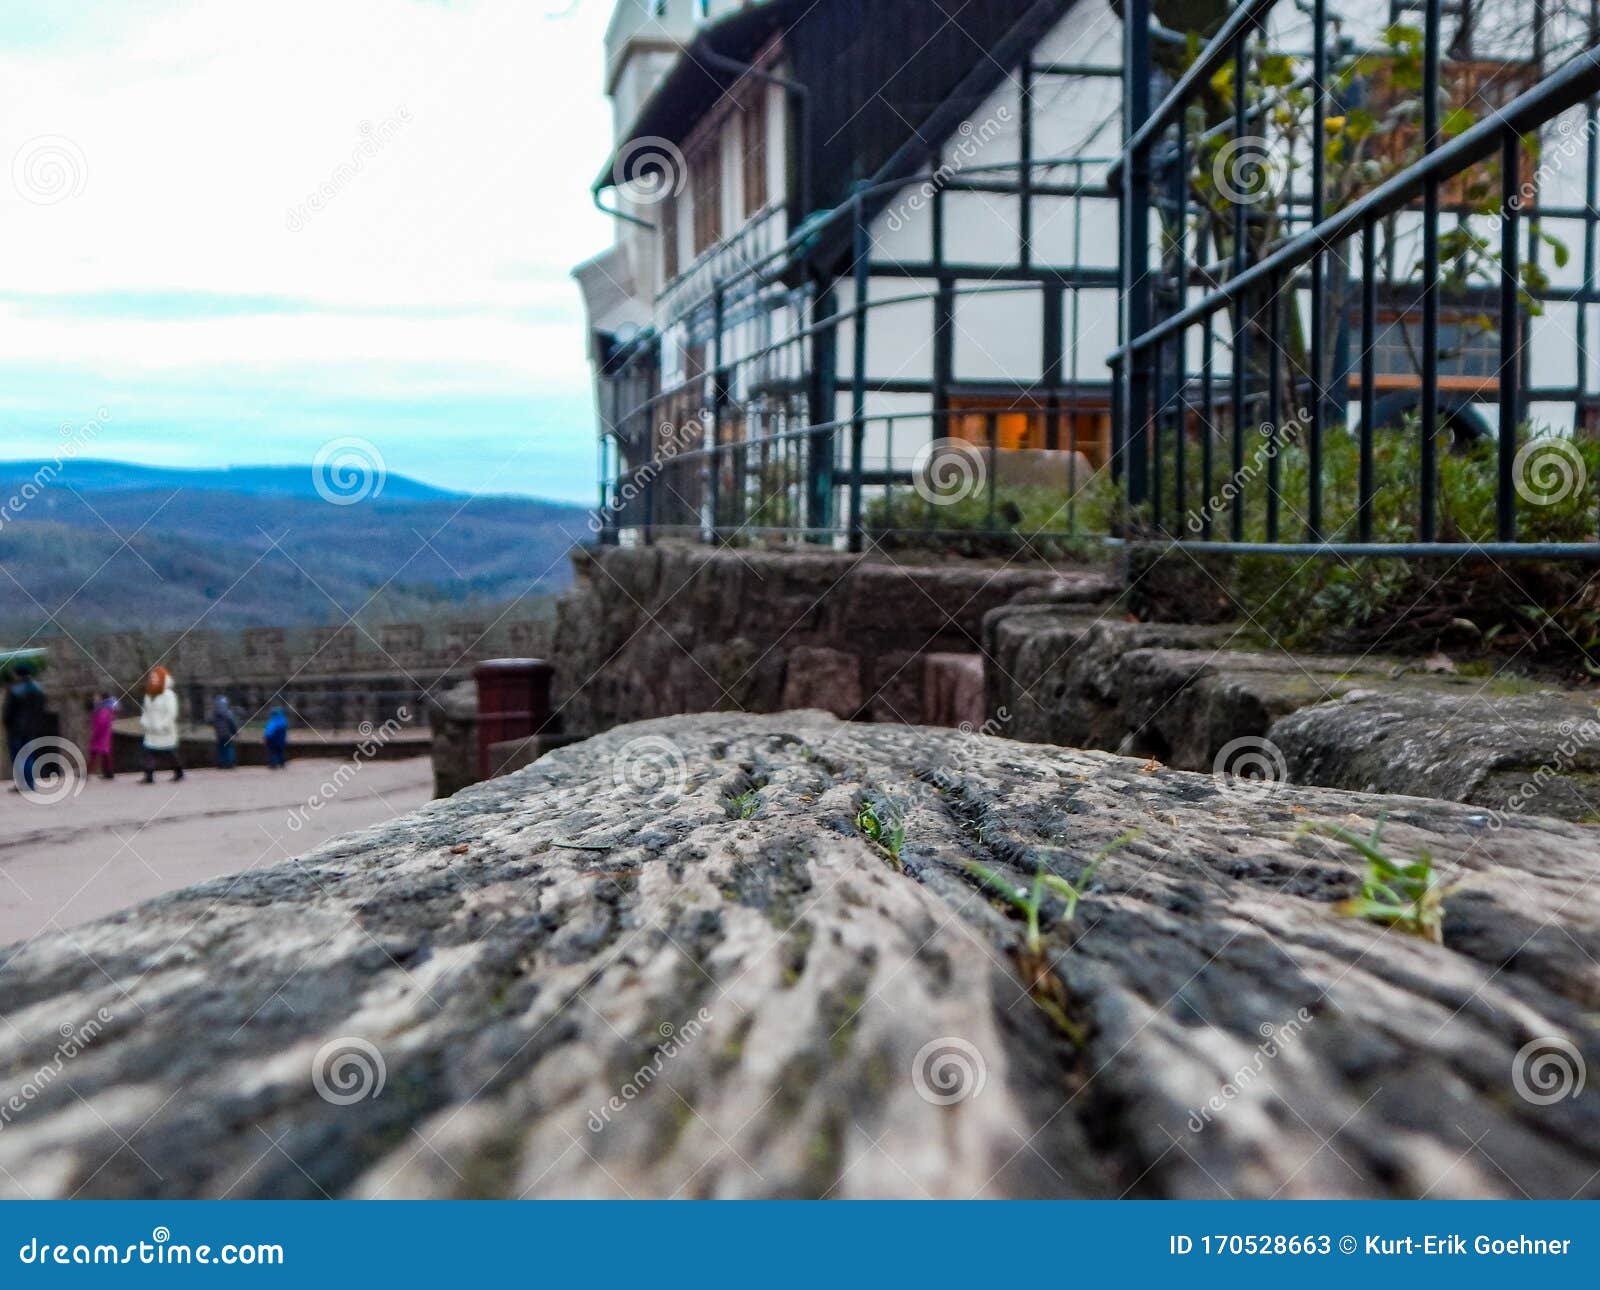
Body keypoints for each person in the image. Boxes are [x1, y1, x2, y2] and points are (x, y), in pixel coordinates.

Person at [3, 662, 48, 791]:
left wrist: (7, 724)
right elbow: (42, 710)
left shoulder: (15, 690)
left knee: (18, 757)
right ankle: (30, 783)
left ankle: (22, 785)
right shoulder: (39, 689)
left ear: (17, 674)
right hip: (32, 728)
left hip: (16, 729)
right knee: (29, 756)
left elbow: (8, 713)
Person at [139, 666, 183, 783]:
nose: (153, 679)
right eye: (152, 677)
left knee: (170, 753)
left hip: (165, 731)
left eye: (156, 677)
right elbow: (145, 711)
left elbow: (172, 712)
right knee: (148, 752)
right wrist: (145, 722)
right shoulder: (148, 694)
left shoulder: (169, 695)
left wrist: (163, 725)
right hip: (151, 730)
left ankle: (179, 772)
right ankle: (149, 776)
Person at [87, 693, 119, 780]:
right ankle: (109, 773)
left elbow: (101, 724)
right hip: (104, 736)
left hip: (101, 736)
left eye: (96, 697)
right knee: (105, 755)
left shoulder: (102, 710)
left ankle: (87, 772)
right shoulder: (105, 709)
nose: (94, 699)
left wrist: (95, 734)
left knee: (94, 754)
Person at [210, 695, 239, 770]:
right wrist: (235, 732)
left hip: (219, 734)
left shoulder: (214, 713)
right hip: (227, 733)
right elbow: (232, 723)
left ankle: (221, 763)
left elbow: (211, 721)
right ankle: (230, 763)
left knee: (221, 748)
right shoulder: (228, 712)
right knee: (229, 748)